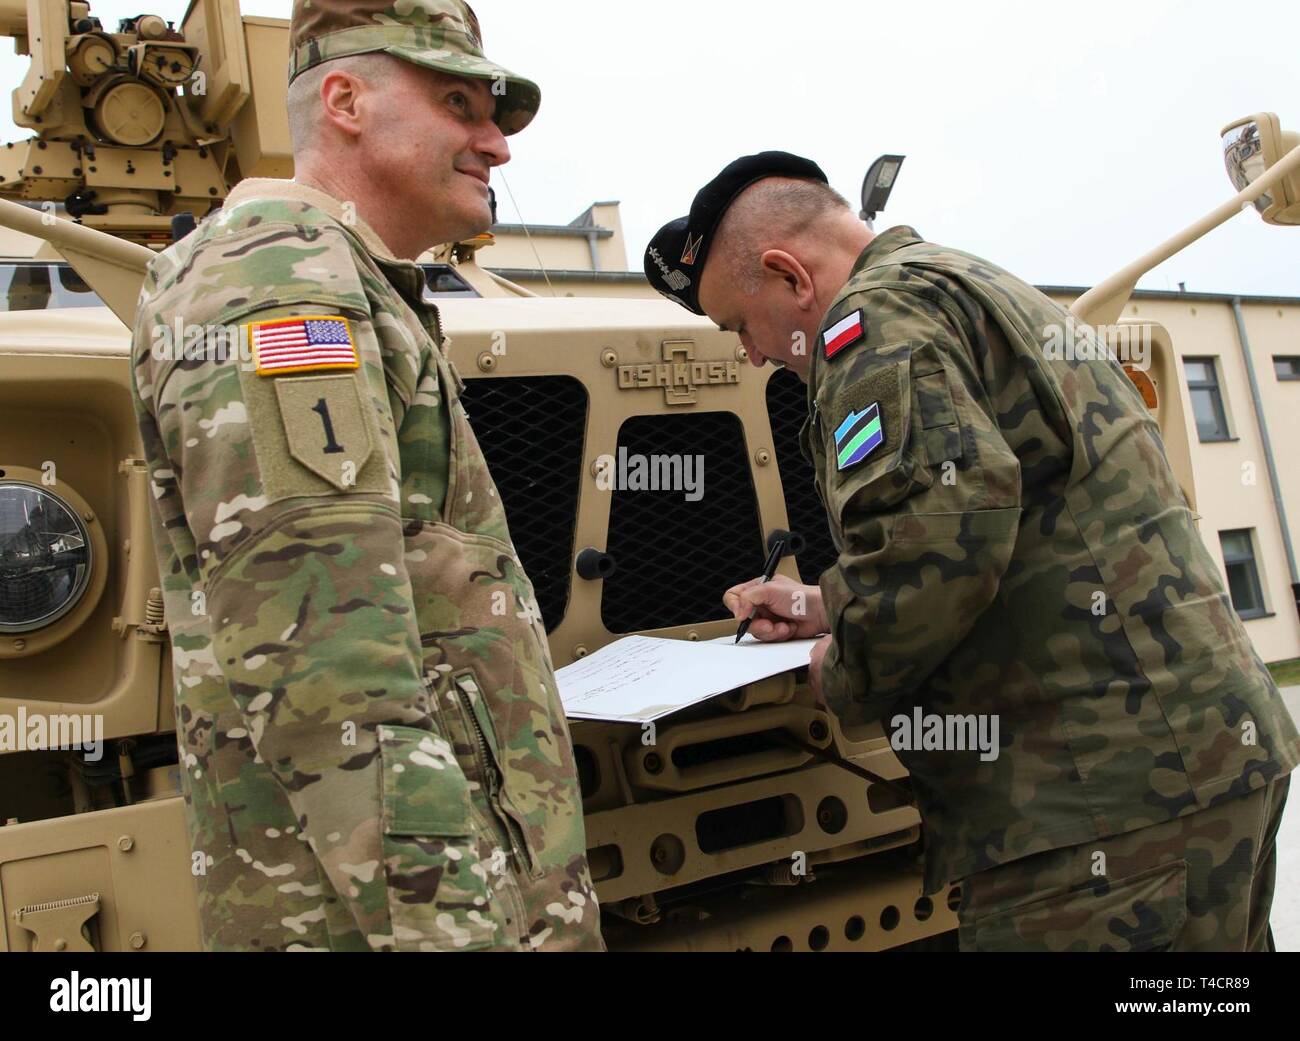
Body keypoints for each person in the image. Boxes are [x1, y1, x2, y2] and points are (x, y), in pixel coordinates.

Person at [644, 151, 1300, 951]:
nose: (750, 354)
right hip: (1203, 756)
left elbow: (939, 545)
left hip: (1095, 808)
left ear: (789, 275)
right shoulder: (972, 283)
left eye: (740, 325)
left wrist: (839, 667)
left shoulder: (876, 324)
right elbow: (1015, 518)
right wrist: (827, 602)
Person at [129, 0, 602, 951]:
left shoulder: (338, 277)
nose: (495, 145)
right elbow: (333, 685)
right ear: (344, 100)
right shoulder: (283, 283)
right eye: (461, 105)